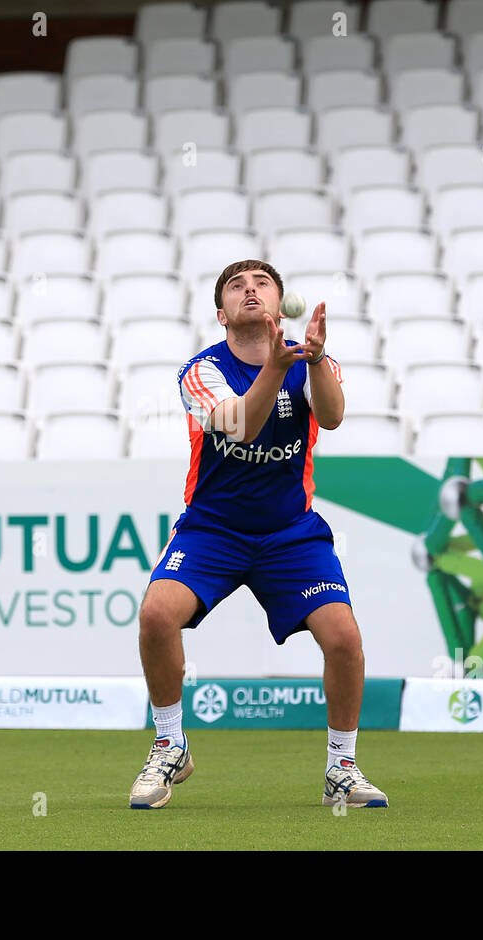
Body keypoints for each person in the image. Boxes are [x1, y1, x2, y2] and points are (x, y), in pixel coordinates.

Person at [128, 259, 387, 810]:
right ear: (222, 314)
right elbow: (241, 424)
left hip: (289, 531)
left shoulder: (313, 361)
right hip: (213, 528)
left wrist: (313, 360)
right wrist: (277, 364)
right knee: (155, 615)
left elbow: (334, 417)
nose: (250, 290)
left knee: (343, 639)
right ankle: (171, 744)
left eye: (262, 284)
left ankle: (341, 767)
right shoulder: (199, 371)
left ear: (278, 305)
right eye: (237, 287)